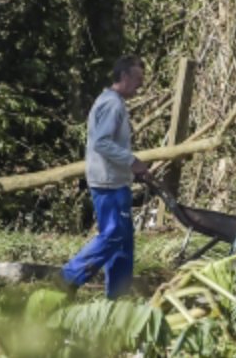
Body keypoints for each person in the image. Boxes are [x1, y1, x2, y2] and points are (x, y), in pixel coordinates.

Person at [61, 56, 151, 298]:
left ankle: (118, 296)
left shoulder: (111, 101)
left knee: (123, 242)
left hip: (114, 180)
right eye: (138, 79)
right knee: (113, 236)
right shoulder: (112, 104)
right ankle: (67, 277)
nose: (140, 85)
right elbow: (102, 143)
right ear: (123, 77)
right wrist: (132, 162)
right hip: (108, 183)